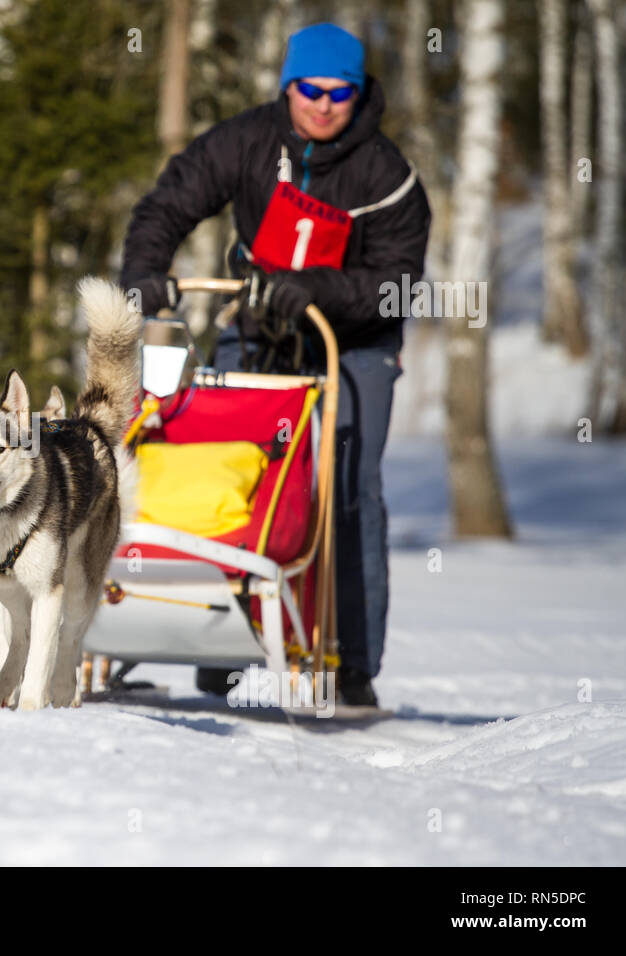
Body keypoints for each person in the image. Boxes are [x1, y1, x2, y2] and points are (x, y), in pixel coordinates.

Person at [119, 22, 431, 707]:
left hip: (354, 344)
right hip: (259, 330)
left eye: (339, 92)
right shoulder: (247, 140)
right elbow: (172, 200)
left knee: (345, 490)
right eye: (309, 90)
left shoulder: (388, 175)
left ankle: (350, 664)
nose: (323, 105)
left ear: (359, 92)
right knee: (229, 475)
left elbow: (399, 283)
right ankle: (219, 647)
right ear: (288, 86)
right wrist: (144, 267)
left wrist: (317, 289)